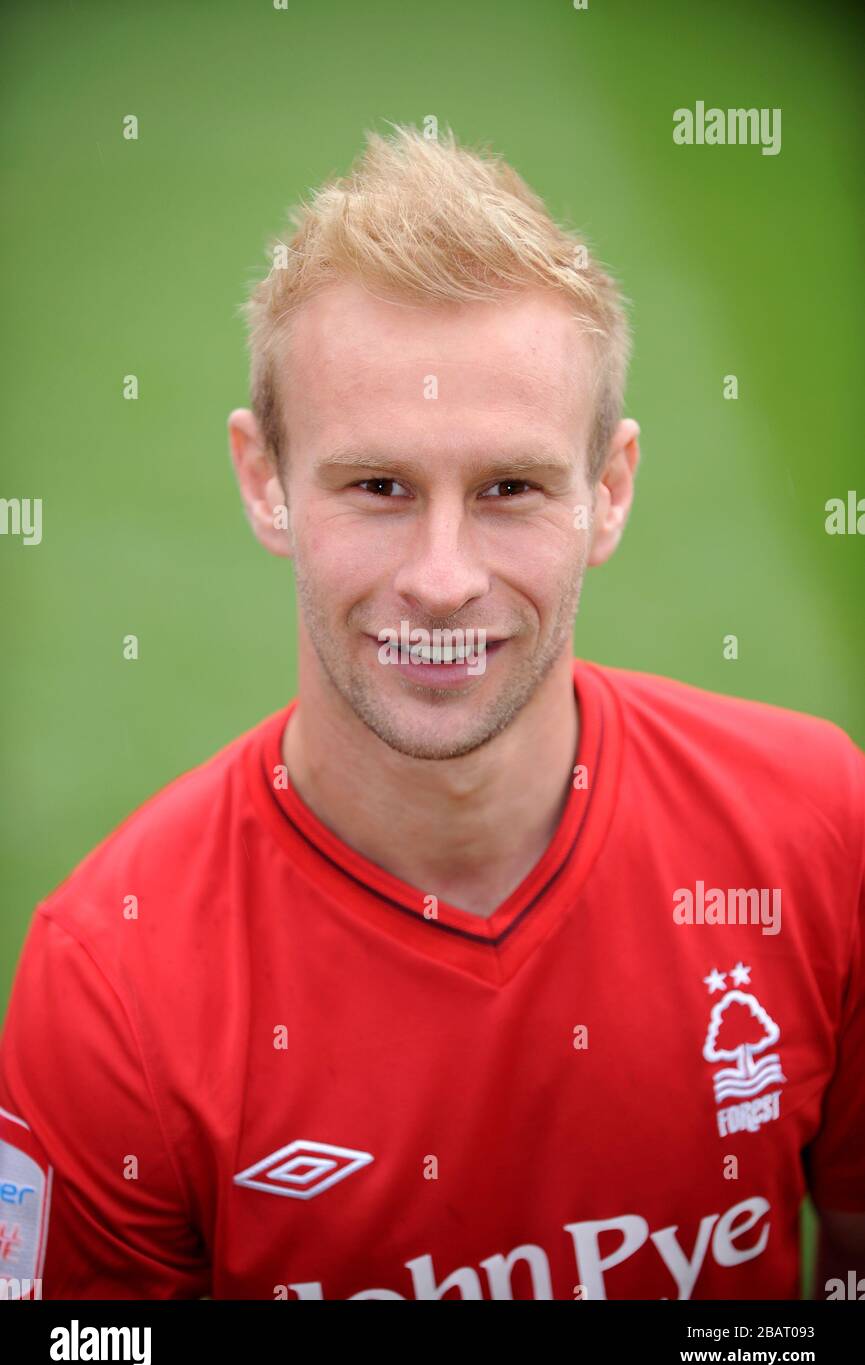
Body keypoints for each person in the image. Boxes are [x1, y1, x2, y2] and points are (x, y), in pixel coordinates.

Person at [1, 125, 862, 1301]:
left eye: (509, 488)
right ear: (265, 482)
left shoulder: (816, 829)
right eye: (377, 487)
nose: (443, 576)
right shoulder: (109, 985)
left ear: (606, 494)